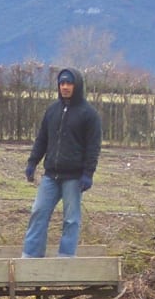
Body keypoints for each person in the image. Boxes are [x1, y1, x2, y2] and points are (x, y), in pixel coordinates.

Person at [21, 67, 101, 258]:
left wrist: (88, 174)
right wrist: (32, 162)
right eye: (62, 83)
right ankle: (31, 256)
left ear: (77, 86)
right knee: (38, 212)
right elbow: (42, 139)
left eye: (69, 83)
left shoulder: (89, 114)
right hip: (51, 175)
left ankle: (66, 258)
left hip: (73, 177)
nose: (65, 87)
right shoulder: (52, 111)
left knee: (71, 220)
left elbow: (93, 147)